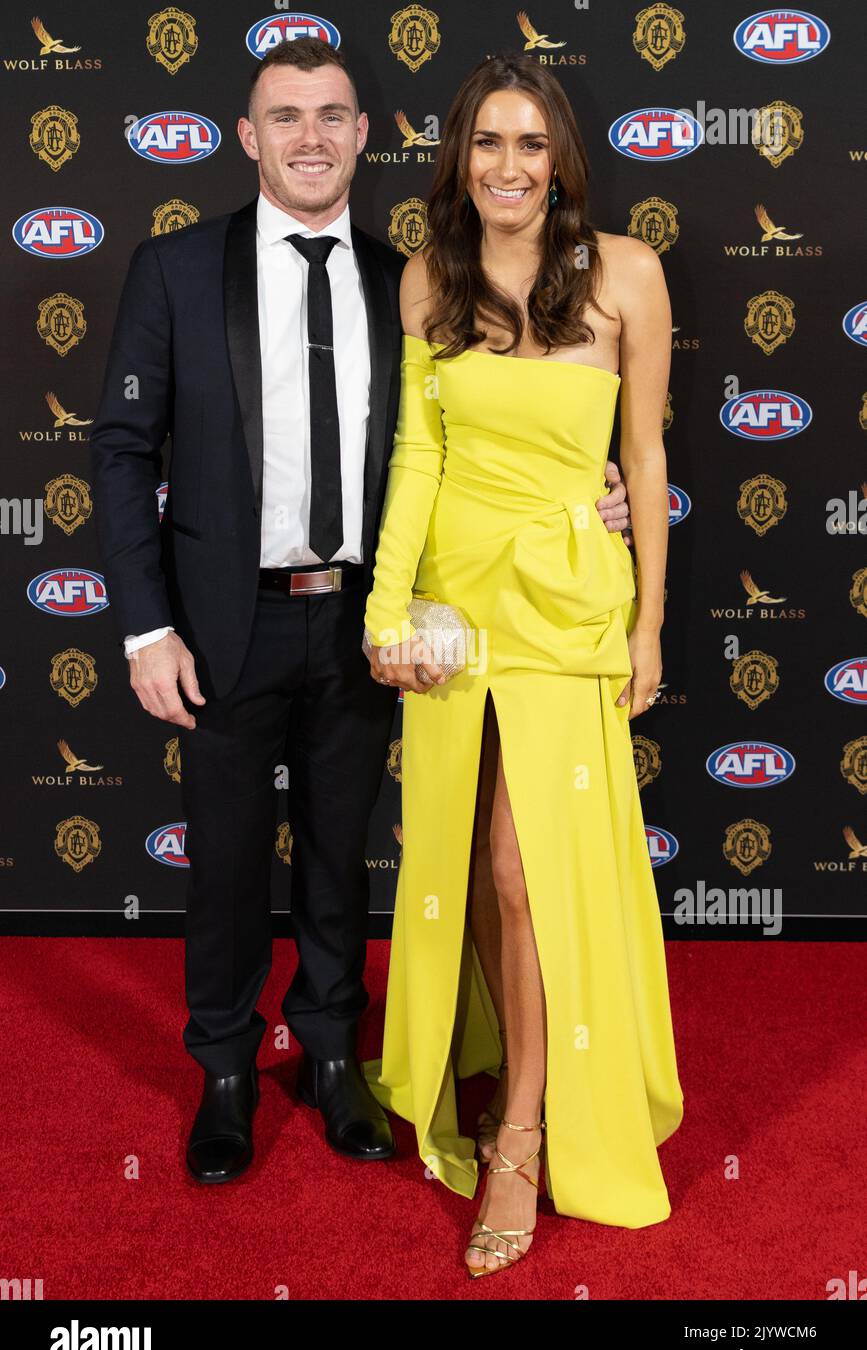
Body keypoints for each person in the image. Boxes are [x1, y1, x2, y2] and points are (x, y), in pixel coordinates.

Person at [89, 38, 634, 1186]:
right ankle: (228, 1072)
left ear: (362, 136)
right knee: (228, 867)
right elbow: (124, 451)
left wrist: (591, 481)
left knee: (342, 859)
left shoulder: (411, 278)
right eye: (284, 117)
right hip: (223, 622)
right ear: (248, 138)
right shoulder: (177, 269)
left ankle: (337, 1060)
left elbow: (468, 437)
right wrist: (147, 627)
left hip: (364, 625)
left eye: (332, 116)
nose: (310, 138)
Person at [362, 54, 683, 1277]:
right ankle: (511, 1062)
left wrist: (650, 622)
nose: (508, 165)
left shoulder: (627, 276)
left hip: (564, 605)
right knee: (464, 858)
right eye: (487, 143)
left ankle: (526, 1131)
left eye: (530, 144)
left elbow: (643, 460)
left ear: (561, 161)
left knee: (518, 862)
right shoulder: (428, 279)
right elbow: (416, 457)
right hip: (453, 612)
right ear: (460, 160)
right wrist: (389, 606)